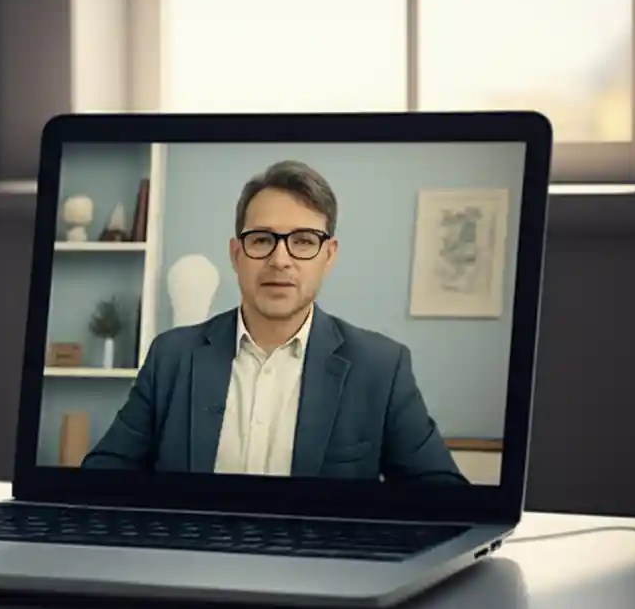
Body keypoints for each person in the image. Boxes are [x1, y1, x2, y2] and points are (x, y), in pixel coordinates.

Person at [82, 160, 467, 484]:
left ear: (329, 256)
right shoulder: (172, 357)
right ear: (236, 254)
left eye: (303, 241)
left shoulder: (381, 366)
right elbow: (101, 479)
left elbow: (445, 499)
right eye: (262, 240)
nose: (280, 260)